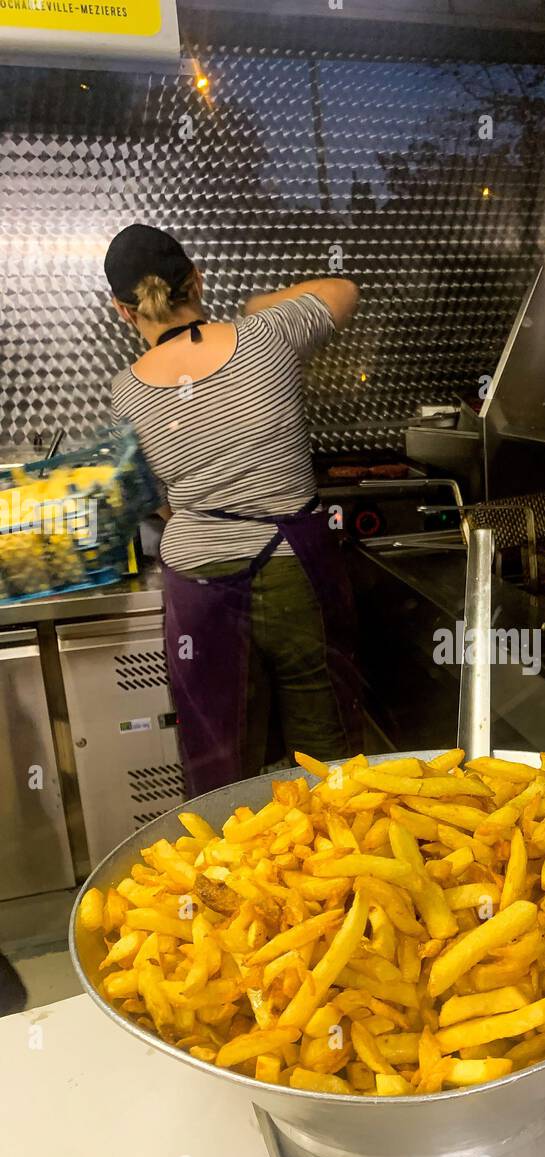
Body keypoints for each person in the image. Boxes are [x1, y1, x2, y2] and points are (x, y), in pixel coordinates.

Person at [104, 223, 361, 796]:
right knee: (328, 749)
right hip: (296, 568)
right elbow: (343, 289)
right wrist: (258, 304)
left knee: (221, 747)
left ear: (123, 311)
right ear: (196, 278)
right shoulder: (268, 335)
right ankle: (337, 865)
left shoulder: (127, 390)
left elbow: (167, 503)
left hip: (200, 581)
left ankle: (234, 869)